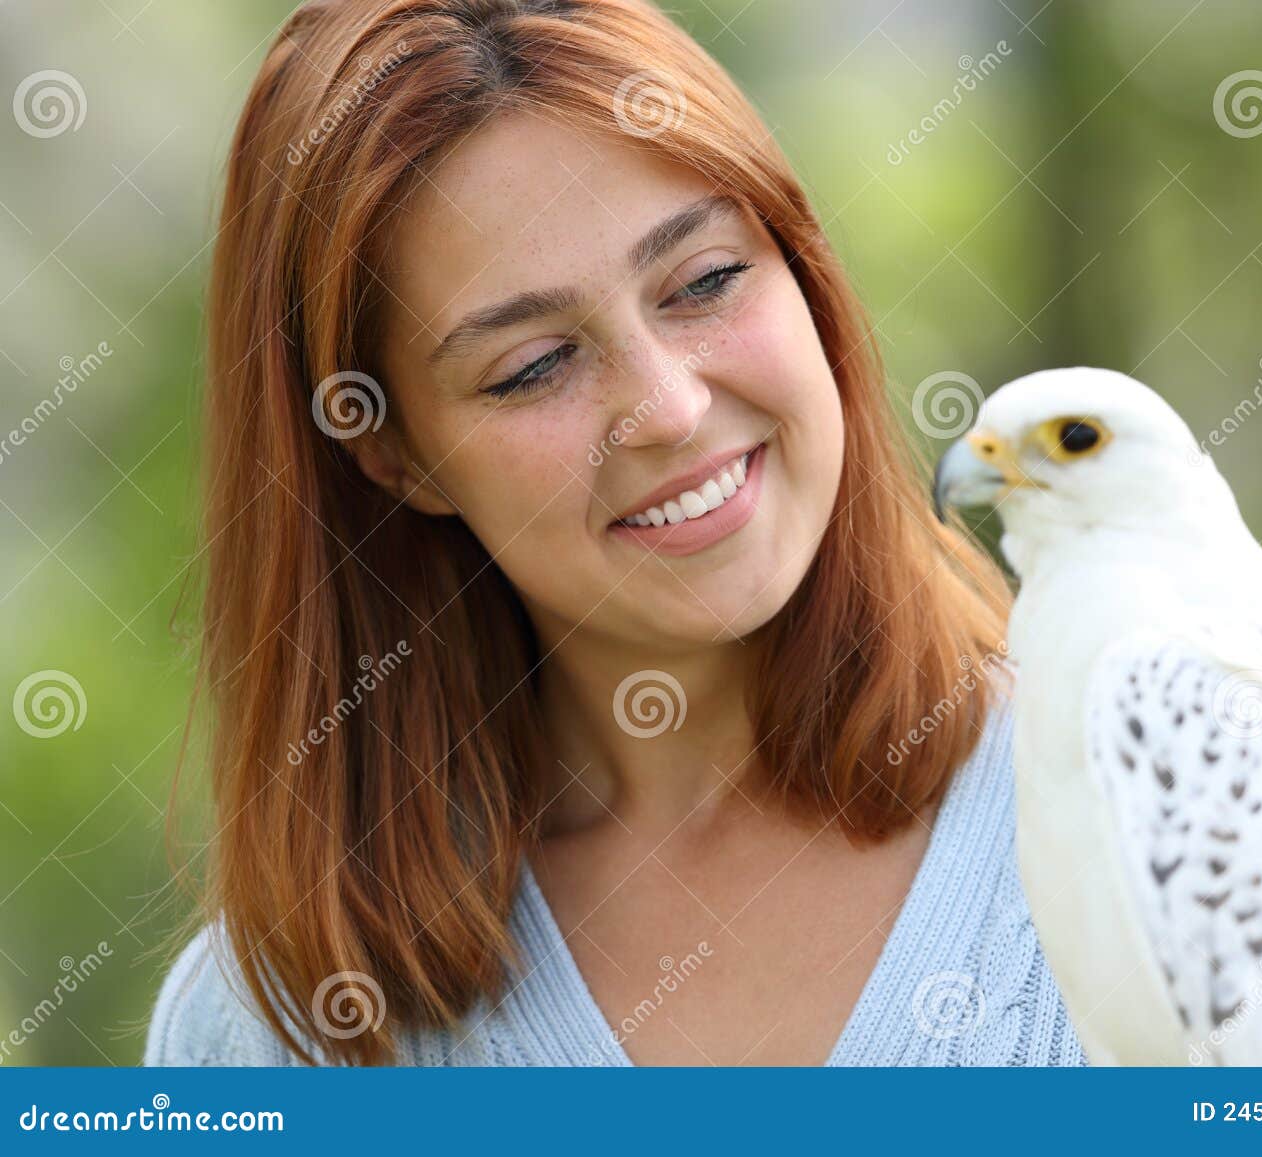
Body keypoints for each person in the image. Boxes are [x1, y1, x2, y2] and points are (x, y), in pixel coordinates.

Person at [143, 0, 1086, 1067]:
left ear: (802, 267)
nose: (670, 408)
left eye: (706, 281)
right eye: (533, 367)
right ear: (395, 453)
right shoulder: (268, 1032)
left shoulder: (1173, 820)